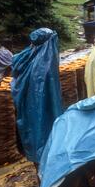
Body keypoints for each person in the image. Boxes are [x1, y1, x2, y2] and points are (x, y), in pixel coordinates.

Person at [11, 28, 63, 165]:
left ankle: (40, 169)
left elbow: (15, 82)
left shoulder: (24, 58)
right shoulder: (44, 65)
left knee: (33, 137)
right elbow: (50, 95)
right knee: (43, 135)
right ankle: (46, 177)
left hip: (25, 108)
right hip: (41, 109)